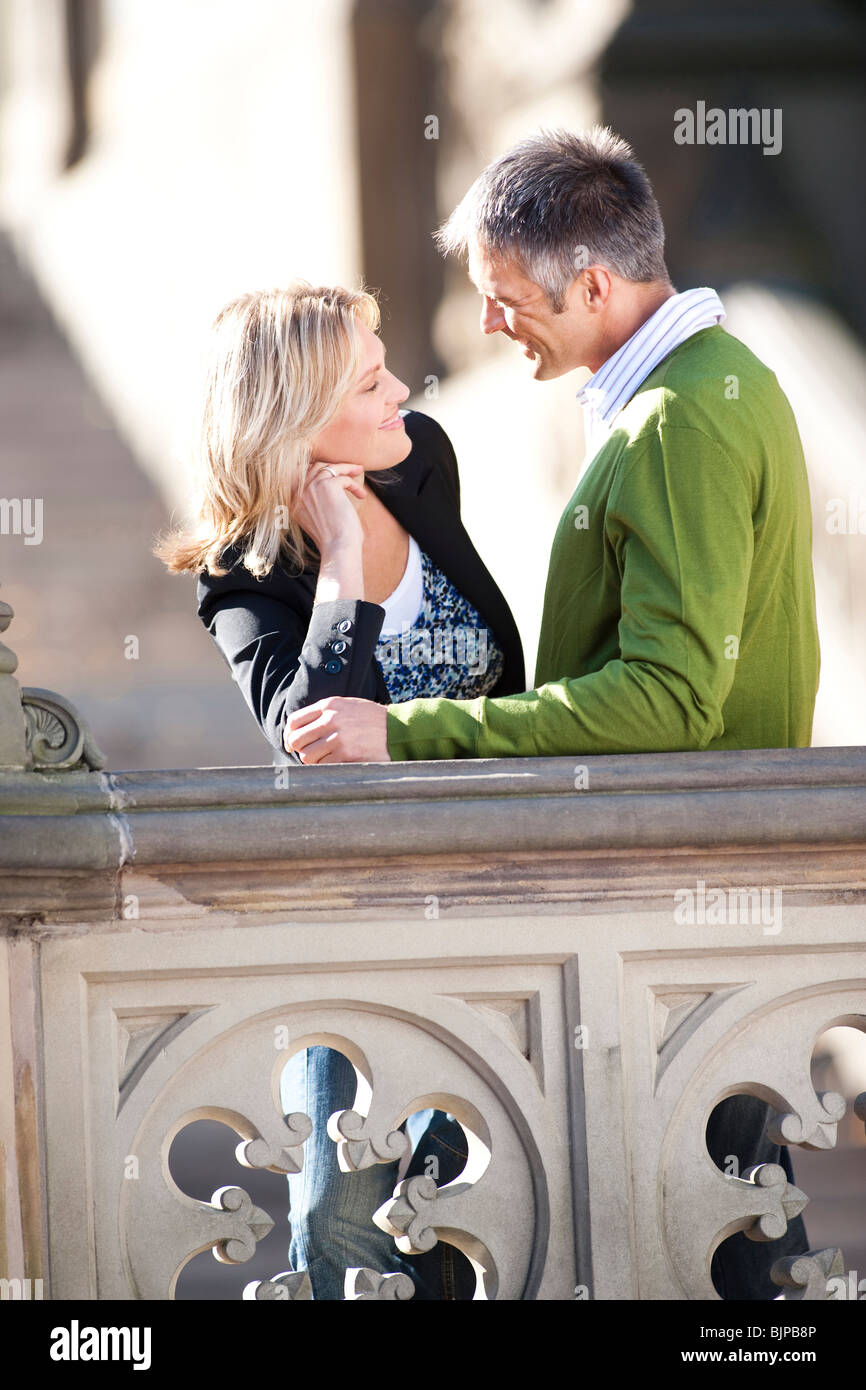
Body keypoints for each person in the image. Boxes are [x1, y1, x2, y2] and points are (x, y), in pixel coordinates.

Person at [284, 128, 821, 1299]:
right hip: (679, 905)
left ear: (591, 286)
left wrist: (413, 733)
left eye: (502, 297)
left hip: (679, 909)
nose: (484, 326)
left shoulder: (681, 416)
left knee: (718, 1245)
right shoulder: (697, 387)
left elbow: (671, 700)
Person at [154, 282, 524, 1300]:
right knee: (342, 1217)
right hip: (359, 931)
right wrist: (346, 567)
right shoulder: (245, 575)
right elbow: (314, 742)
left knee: (474, 1195)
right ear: (295, 423)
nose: (402, 389)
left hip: (508, 904)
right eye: (369, 381)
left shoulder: (420, 458)